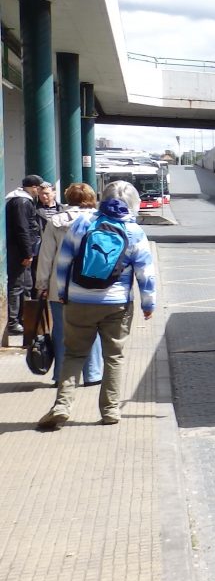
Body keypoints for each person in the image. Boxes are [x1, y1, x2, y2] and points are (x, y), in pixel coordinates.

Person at [37, 181, 157, 430]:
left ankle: (62, 406)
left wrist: (62, 292)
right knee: (113, 357)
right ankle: (111, 410)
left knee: (74, 354)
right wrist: (148, 303)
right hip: (117, 304)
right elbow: (145, 273)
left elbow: (63, 262)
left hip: (79, 301)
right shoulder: (134, 231)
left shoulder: (82, 223)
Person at [35, 182, 103, 387]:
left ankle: (62, 376)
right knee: (93, 328)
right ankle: (93, 374)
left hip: (60, 285)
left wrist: (42, 284)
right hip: (93, 284)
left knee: (61, 330)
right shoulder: (100, 220)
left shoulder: (55, 221)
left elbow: (46, 256)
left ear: (68, 198)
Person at [5, 174, 46, 336]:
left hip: (20, 250)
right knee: (18, 285)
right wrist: (27, 252)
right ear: (33, 187)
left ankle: (22, 319)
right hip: (20, 251)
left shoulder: (20, 200)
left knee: (25, 285)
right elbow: (22, 229)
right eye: (39, 188)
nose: (40, 191)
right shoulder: (22, 202)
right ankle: (14, 321)